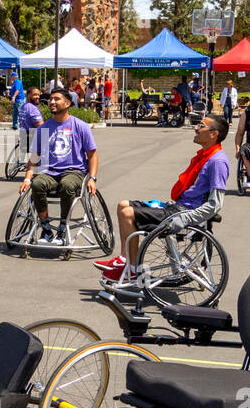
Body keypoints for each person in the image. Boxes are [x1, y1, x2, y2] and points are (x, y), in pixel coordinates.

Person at [95, 114, 230, 283]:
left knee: (128, 213)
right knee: (123, 205)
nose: (195, 128)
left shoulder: (218, 161)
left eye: (200, 125)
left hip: (184, 214)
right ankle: (124, 260)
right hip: (178, 207)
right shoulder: (205, 156)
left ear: (213, 134)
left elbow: (215, 204)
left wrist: (184, 218)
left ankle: (133, 270)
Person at [19, 89, 98, 245]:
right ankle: (46, 229)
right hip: (50, 171)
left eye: (57, 99)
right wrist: (28, 178)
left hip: (74, 171)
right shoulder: (43, 129)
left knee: (67, 185)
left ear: (67, 103)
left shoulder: (80, 126)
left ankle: (62, 228)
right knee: (37, 184)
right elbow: (34, 157)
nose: (52, 102)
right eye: (51, 99)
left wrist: (93, 178)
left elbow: (92, 155)